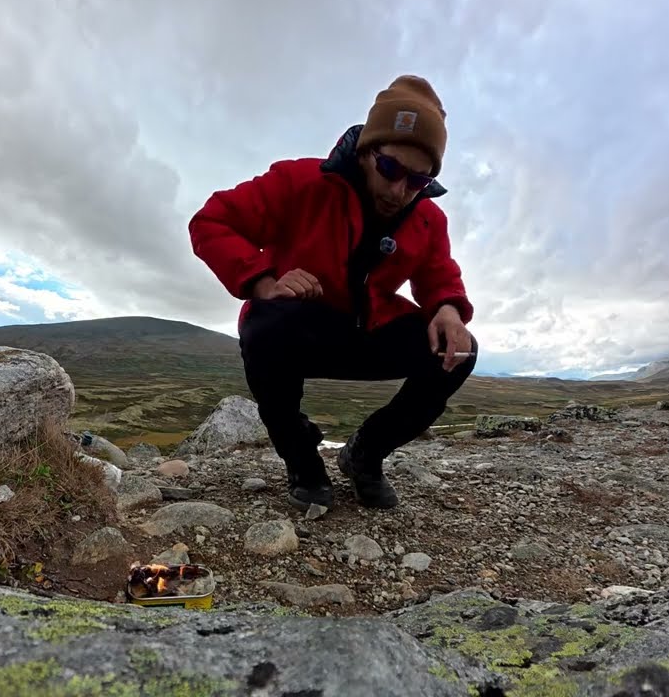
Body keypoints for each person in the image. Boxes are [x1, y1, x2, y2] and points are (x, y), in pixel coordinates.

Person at [187, 75, 477, 511]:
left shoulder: (427, 219)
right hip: (298, 328)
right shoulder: (301, 181)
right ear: (366, 152)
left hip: (369, 329)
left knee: (459, 350)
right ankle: (302, 460)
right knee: (266, 324)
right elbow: (211, 222)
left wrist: (449, 309)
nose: (400, 191)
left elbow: (438, 275)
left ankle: (365, 454)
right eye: (391, 169)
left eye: (417, 181)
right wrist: (265, 281)